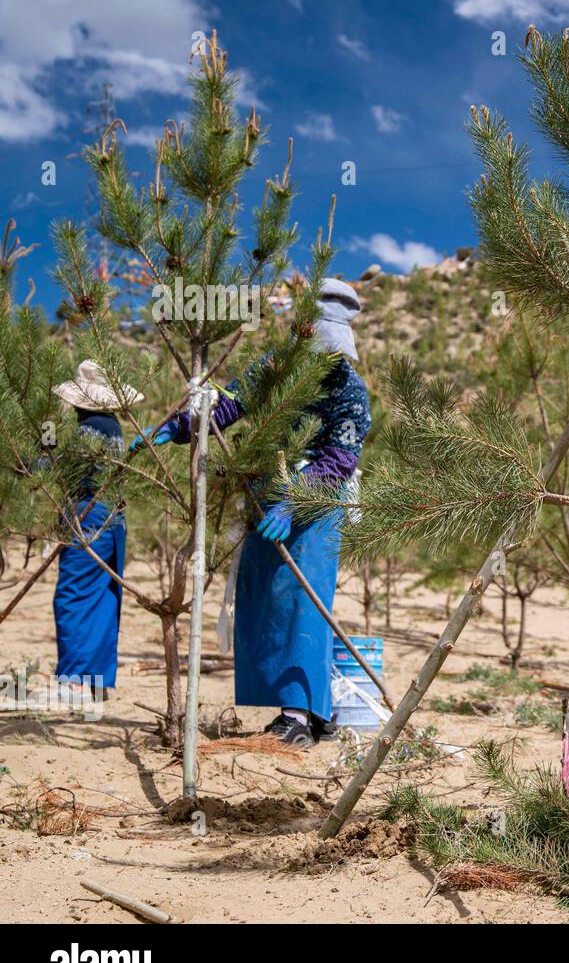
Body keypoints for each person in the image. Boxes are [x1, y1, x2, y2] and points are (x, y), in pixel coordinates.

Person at [138, 279, 371, 747]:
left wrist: (294, 501)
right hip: (266, 495)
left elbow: (340, 458)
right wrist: (181, 426)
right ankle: (309, 707)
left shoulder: (351, 389)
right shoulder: (274, 368)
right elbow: (232, 406)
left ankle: (298, 715)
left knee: (304, 601)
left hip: (317, 503)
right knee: (265, 599)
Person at [49, 359, 143, 704]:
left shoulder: (88, 427)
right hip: (113, 517)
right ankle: (97, 680)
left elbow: (63, 469)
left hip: (88, 513)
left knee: (73, 595)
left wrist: (41, 453)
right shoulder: (112, 424)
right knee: (103, 595)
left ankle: (74, 682)